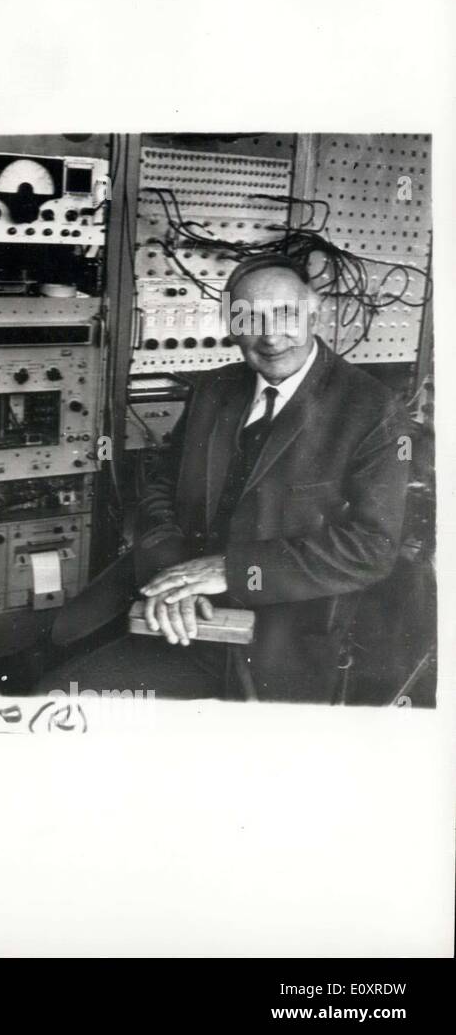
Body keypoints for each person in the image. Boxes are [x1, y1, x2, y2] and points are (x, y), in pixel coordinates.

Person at [132, 254, 411, 701]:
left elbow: (371, 548)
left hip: (281, 648)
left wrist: (233, 570)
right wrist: (175, 575)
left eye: (285, 315)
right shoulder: (213, 389)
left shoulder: (372, 409)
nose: (270, 336)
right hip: (178, 622)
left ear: (314, 312)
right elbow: (160, 487)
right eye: (250, 319)